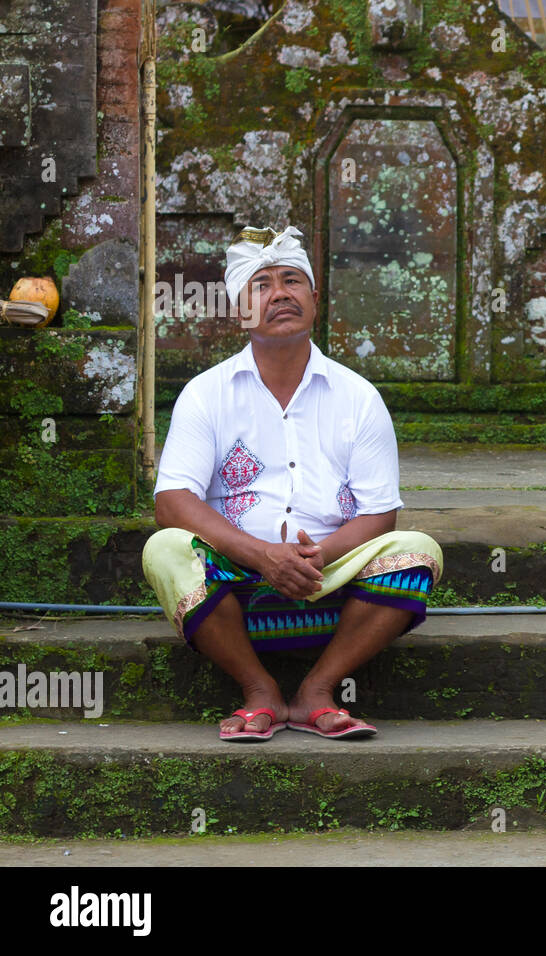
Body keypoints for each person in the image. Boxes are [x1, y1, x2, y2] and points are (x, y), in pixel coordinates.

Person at [141, 225, 443, 742]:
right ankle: (260, 691)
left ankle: (316, 691)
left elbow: (379, 515)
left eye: (292, 281)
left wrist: (313, 560)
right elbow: (171, 503)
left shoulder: (358, 397)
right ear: (240, 311)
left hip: (332, 589)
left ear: (314, 299)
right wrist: (263, 556)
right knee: (165, 549)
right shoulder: (205, 394)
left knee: (418, 549)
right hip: (234, 590)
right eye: (260, 285)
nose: (279, 293)